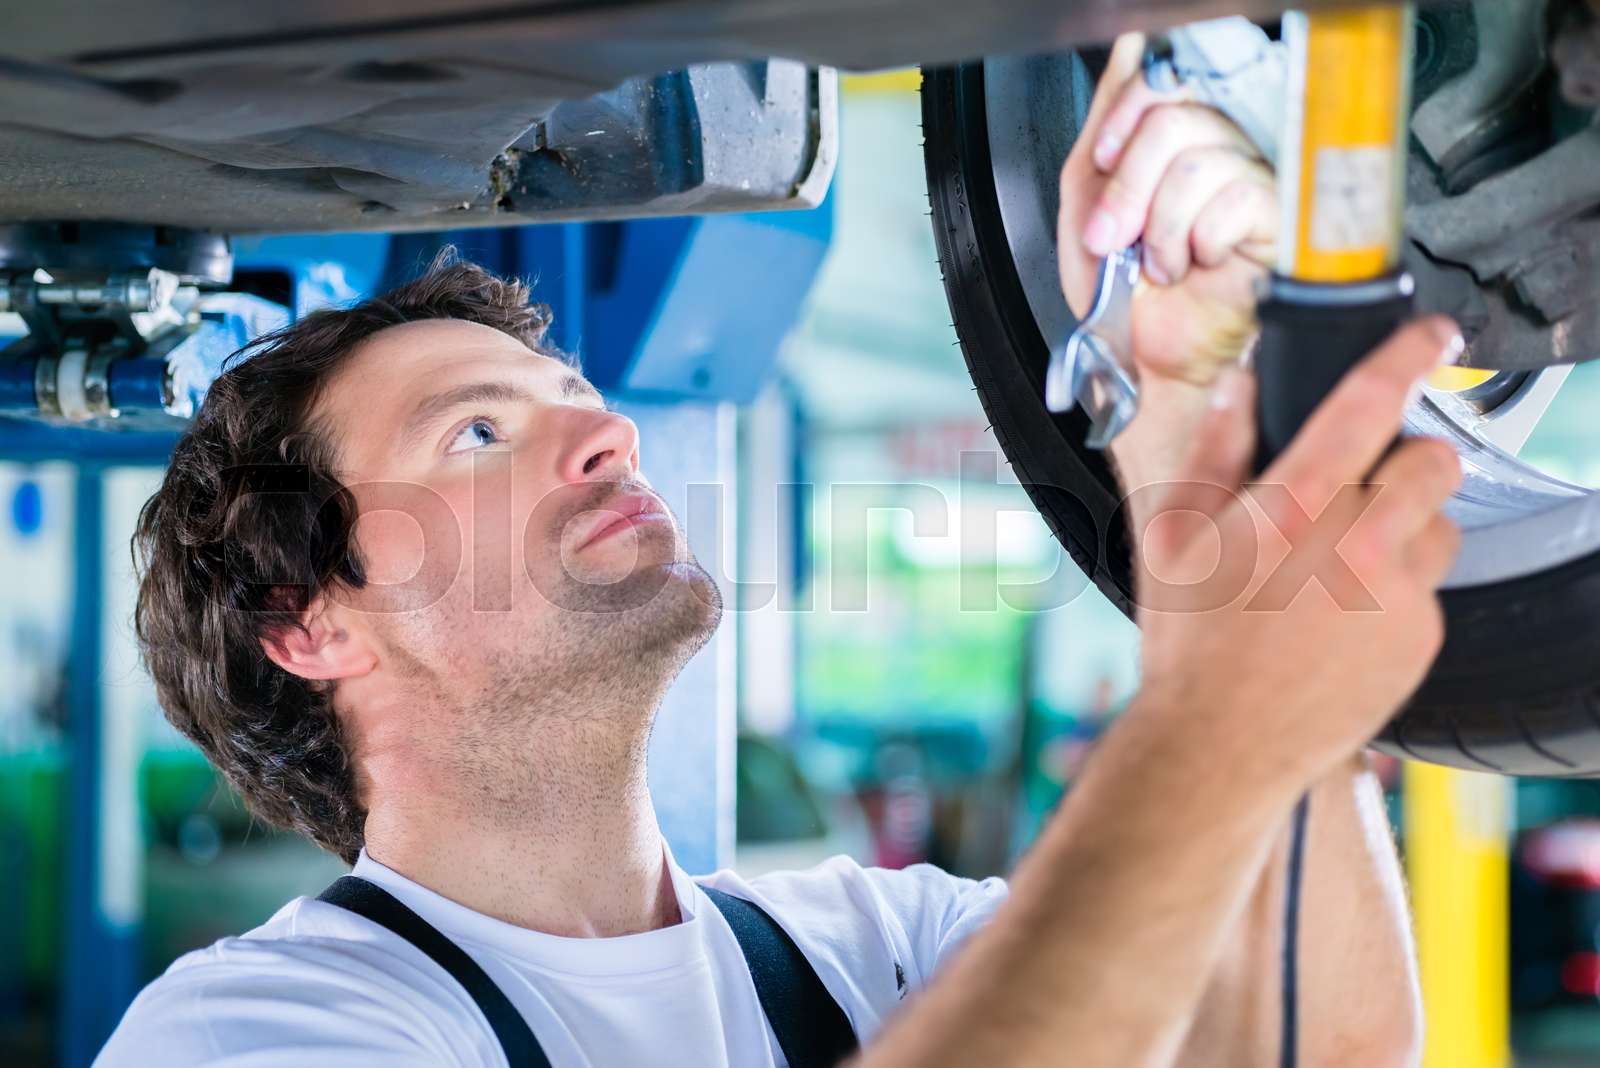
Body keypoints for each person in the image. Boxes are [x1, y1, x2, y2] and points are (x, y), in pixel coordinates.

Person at [98, 34, 1460, 1067]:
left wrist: (1215, 510)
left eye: (581, 403)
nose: (608, 438)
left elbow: (1306, 1043)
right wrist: (1212, 724)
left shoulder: (878, 947)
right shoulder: (265, 1026)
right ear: (310, 621)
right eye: (476, 433)